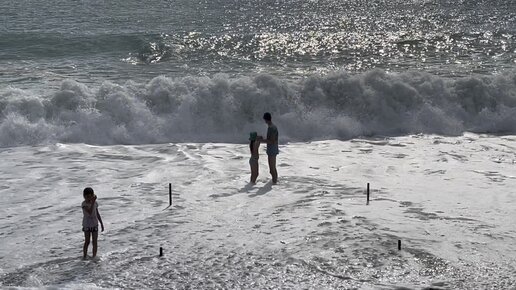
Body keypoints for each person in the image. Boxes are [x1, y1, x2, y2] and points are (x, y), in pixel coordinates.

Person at [82, 187, 104, 259]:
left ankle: (94, 256)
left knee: (95, 242)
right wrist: (93, 202)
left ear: (92, 196)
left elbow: (97, 213)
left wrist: (101, 223)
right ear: (84, 197)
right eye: (86, 197)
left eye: (90, 196)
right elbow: (90, 212)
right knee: (87, 241)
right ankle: (84, 256)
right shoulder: (84, 204)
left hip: (94, 223)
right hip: (87, 224)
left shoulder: (95, 203)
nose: (88, 198)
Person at [259, 112, 279, 184]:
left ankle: (274, 182)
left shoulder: (271, 128)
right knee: (273, 168)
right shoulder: (272, 126)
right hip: (272, 149)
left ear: (265, 119)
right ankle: (275, 181)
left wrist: (261, 141)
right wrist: (263, 139)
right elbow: (270, 139)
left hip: (272, 149)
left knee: (272, 169)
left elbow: (272, 141)